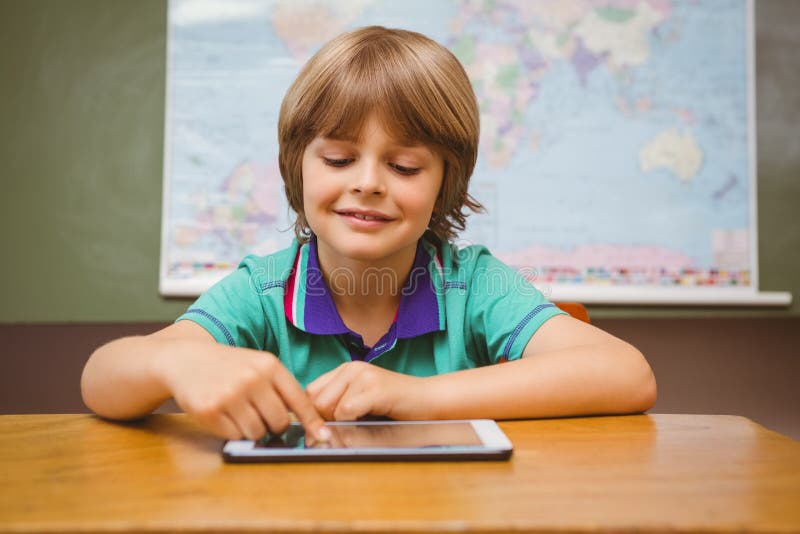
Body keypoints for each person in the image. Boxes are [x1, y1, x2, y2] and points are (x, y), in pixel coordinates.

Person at [81, 26, 656, 444]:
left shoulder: (472, 284)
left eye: (404, 168)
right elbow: (101, 380)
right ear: (296, 167)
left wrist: (418, 397)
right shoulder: (262, 291)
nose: (368, 184)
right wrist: (176, 366)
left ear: (443, 184)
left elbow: (627, 375)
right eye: (337, 158)